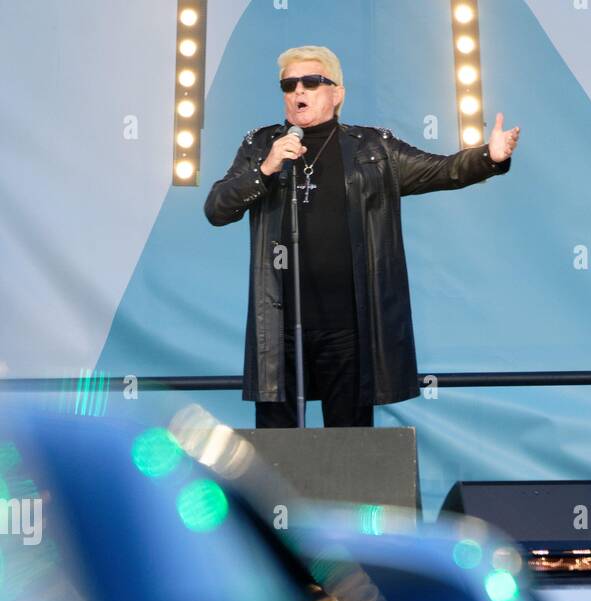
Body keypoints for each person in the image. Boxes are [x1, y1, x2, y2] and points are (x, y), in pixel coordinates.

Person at [204, 45, 520, 428]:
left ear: (337, 94)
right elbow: (217, 208)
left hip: (350, 327)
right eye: (289, 85)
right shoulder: (262, 146)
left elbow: (443, 170)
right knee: (276, 453)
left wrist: (490, 156)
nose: (298, 92)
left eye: (311, 82)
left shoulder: (373, 148)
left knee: (351, 452)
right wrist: (266, 170)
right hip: (280, 325)